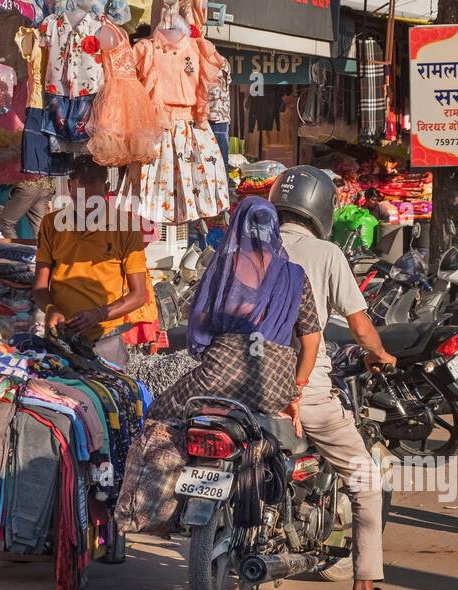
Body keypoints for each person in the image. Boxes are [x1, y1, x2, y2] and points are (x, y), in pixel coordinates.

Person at [268, 165, 413, 590]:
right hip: (302, 390)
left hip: (242, 387)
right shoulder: (327, 253)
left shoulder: (250, 246)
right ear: (323, 208)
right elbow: (360, 325)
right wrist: (381, 355)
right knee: (366, 479)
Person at [149, 196, 321, 427]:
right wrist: (296, 390)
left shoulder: (225, 267)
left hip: (220, 376)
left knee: (157, 414)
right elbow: (312, 340)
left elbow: (200, 320)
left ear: (238, 225)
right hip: (275, 386)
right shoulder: (295, 276)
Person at [33, 159, 149, 367]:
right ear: (69, 187)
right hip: (61, 335)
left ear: (106, 189)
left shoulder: (127, 228)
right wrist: (51, 309)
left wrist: (100, 314)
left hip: (106, 338)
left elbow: (139, 295)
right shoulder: (51, 223)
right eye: (79, 199)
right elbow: (40, 286)